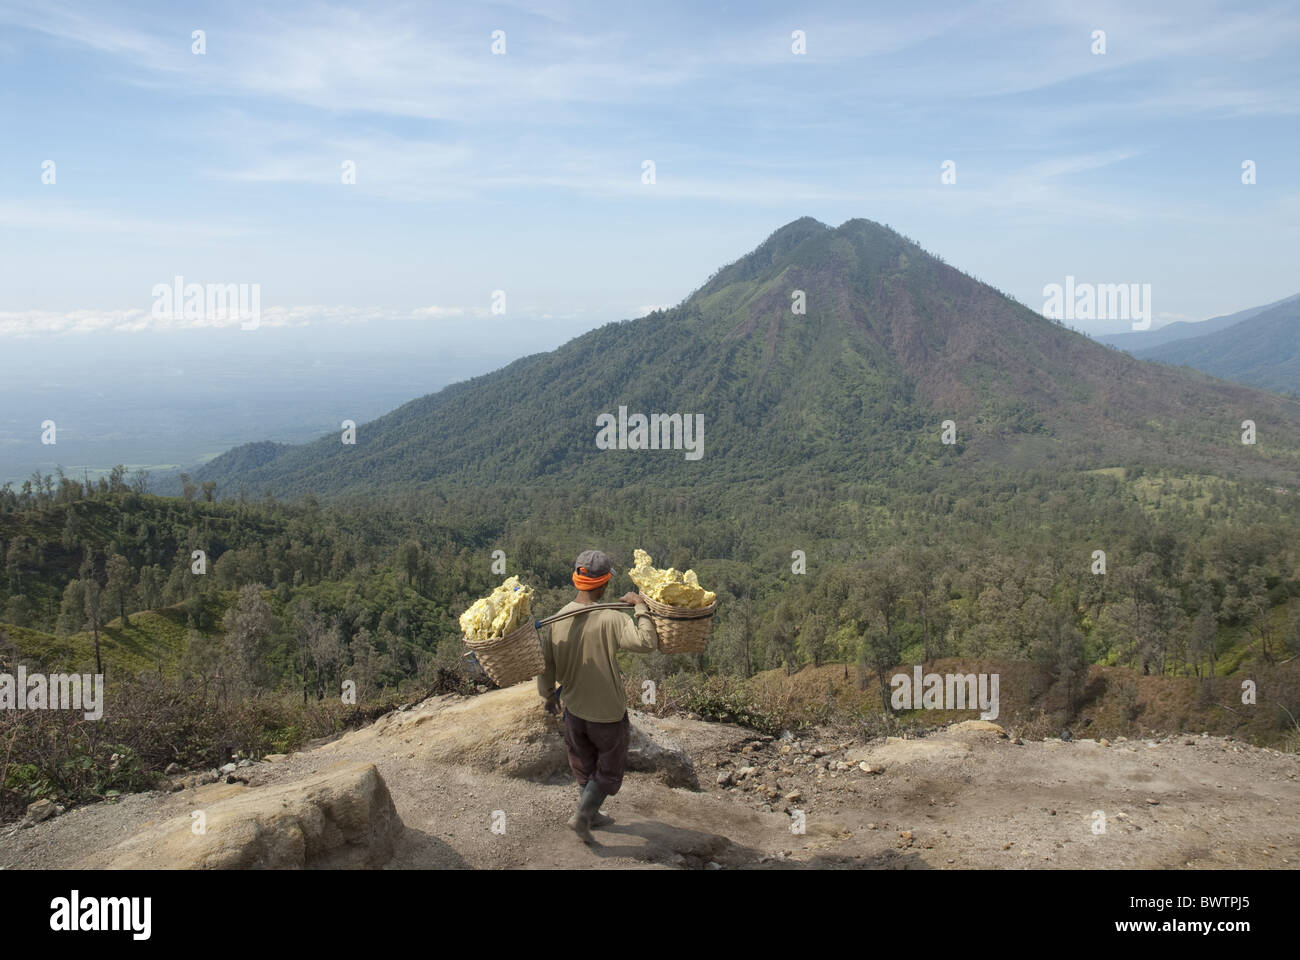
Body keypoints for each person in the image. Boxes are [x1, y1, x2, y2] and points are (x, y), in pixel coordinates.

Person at [538, 549, 659, 843]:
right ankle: (582, 816)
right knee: (608, 769)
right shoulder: (613, 619)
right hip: (607, 714)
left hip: (574, 711)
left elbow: (545, 669)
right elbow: (646, 642)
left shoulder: (555, 620)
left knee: (583, 764)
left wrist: (548, 696)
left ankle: (590, 814)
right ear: (604, 585)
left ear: (576, 581)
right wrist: (640, 607)